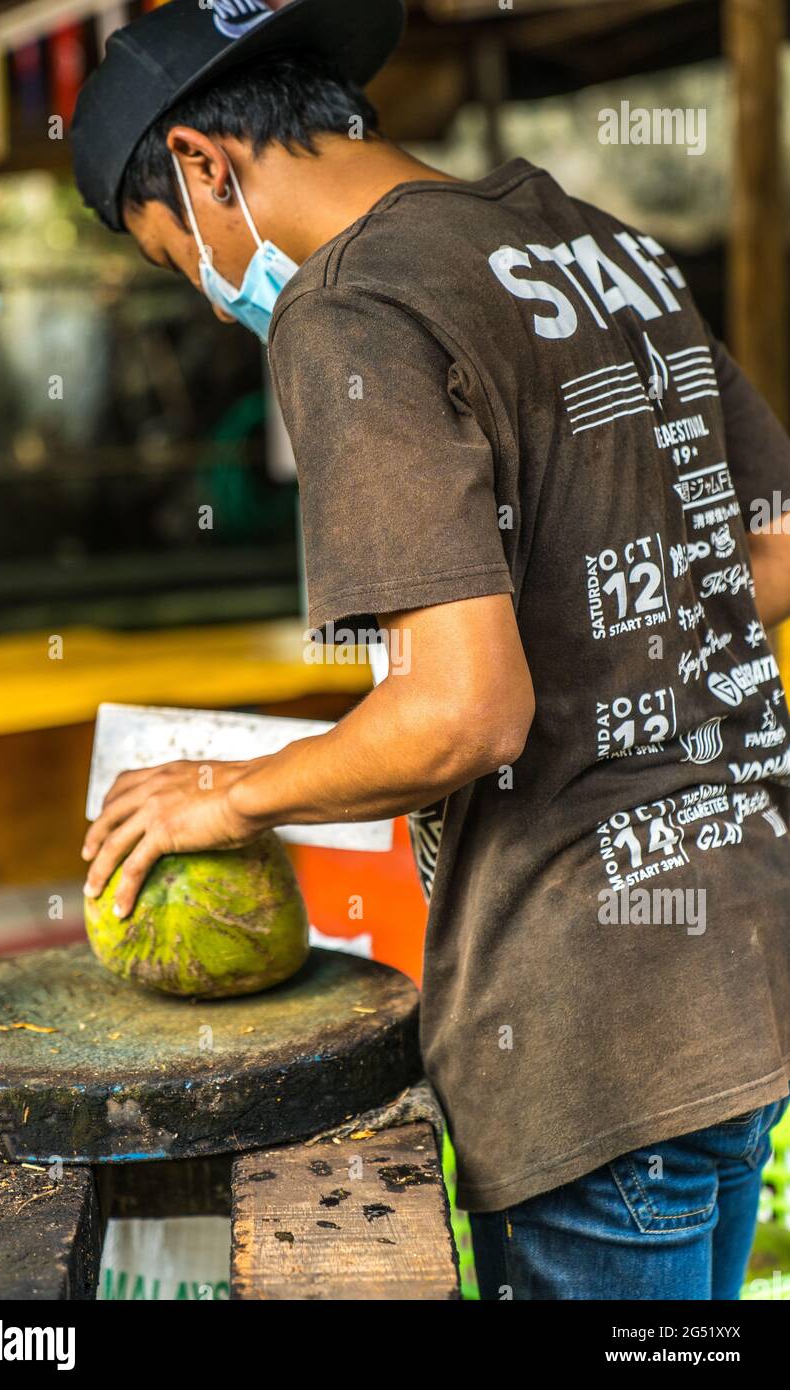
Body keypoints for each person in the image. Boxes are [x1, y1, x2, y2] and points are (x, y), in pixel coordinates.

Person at [72, 0, 790, 1300]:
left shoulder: (353, 307)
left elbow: (462, 713)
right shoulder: (599, 243)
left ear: (201, 166)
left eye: (179, 259)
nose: (211, 292)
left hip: (589, 1035)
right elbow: (775, 551)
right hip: (740, 965)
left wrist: (226, 793)